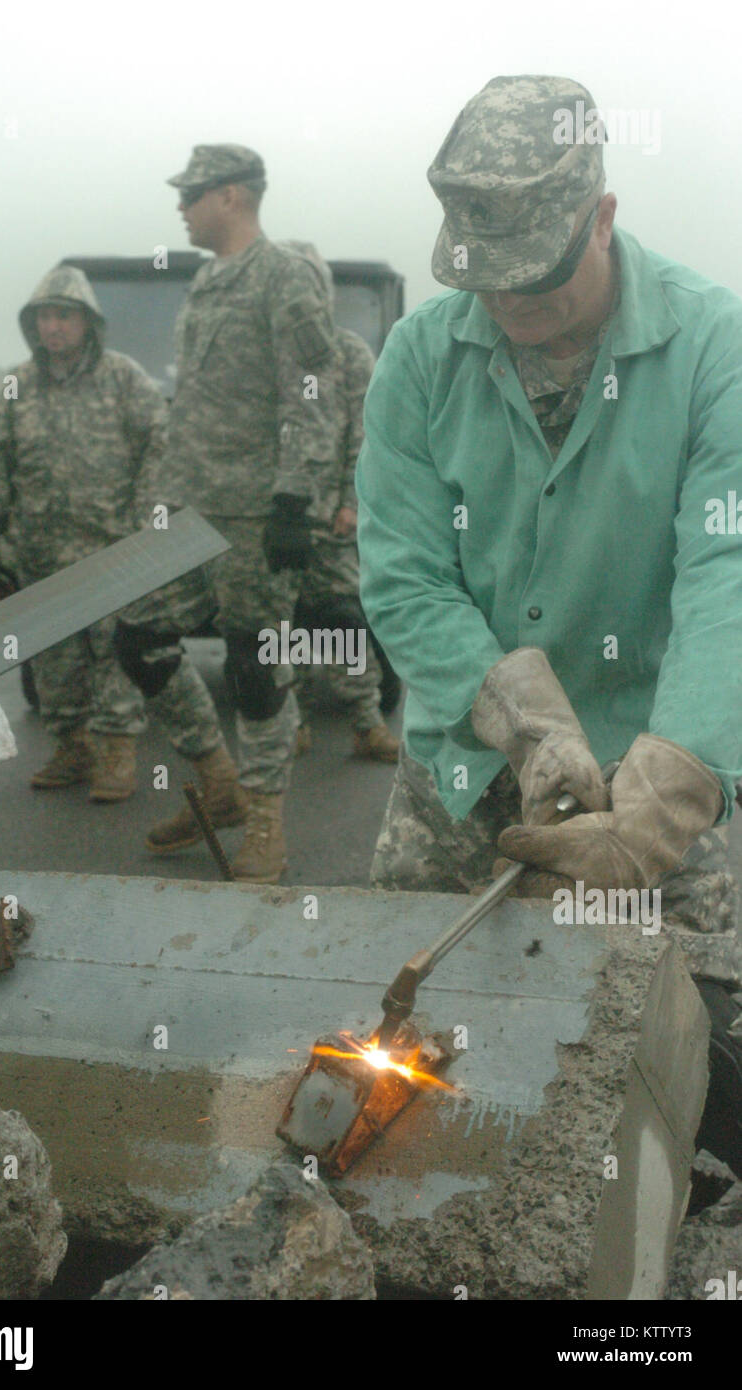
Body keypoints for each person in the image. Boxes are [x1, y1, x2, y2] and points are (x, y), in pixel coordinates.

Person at [356, 76, 742, 1172]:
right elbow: (403, 572)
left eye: (536, 279)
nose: (511, 308)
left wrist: (671, 779)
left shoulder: (715, 346)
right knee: (405, 1066)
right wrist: (521, 722)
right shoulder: (420, 359)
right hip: (465, 764)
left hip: (650, 761)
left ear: (601, 218)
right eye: (486, 284)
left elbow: (729, 569)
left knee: (676, 1074)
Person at [132, 145, 338, 882]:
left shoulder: (284, 275)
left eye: (190, 195)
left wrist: (296, 498)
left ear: (229, 196)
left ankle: (265, 823)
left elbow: (314, 389)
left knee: (256, 665)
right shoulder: (206, 282)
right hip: (188, 510)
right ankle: (216, 780)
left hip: (254, 513)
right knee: (139, 635)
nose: (181, 208)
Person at [0, 265, 167, 802]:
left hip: (110, 549)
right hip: (38, 552)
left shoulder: (123, 377)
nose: (53, 327)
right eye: (44, 317)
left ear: (87, 322)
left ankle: (118, 754)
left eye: (64, 316)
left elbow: (160, 442)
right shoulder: (17, 385)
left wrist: (147, 518)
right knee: (53, 660)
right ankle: (72, 747)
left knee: (112, 657)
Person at [277, 241, 399, 764]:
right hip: (275, 520)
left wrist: (352, 502)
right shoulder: (261, 354)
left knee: (345, 621)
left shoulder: (348, 354)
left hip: (331, 520)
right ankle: (293, 722)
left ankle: (366, 725)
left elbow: (366, 435)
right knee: (283, 626)